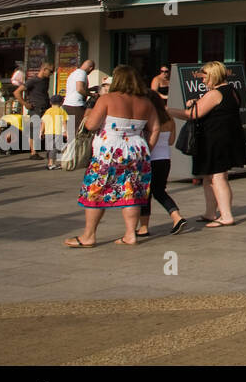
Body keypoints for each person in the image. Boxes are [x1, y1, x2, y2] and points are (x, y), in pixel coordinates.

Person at [65, 65, 157, 248]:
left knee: (96, 191)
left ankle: (88, 236)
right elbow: (155, 128)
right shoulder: (146, 103)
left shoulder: (107, 99)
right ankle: (130, 234)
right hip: (137, 151)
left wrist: (90, 114)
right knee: (131, 191)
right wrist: (147, 149)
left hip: (109, 152)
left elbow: (91, 125)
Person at [170, 61, 245, 228]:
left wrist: (168, 111)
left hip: (215, 140)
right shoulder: (232, 91)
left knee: (218, 177)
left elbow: (192, 115)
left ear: (214, 75)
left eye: (205, 77)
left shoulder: (215, 93)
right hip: (225, 138)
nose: (203, 81)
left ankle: (226, 215)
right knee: (209, 177)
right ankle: (210, 212)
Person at [138, 90, 186, 237]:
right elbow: (171, 141)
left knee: (145, 194)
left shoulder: (147, 119)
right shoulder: (169, 119)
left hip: (150, 159)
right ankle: (176, 216)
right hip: (165, 159)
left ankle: (144, 227)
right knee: (159, 191)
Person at [17, 63, 54, 160]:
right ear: (44, 69)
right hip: (35, 108)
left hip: (46, 107)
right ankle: (33, 152)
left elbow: (43, 92)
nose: (51, 74)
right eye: (50, 71)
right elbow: (17, 92)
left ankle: (49, 150)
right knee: (34, 130)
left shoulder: (46, 80)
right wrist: (24, 103)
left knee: (49, 127)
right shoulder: (33, 81)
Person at [62, 59, 95, 138]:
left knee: (70, 131)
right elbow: (79, 89)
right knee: (77, 131)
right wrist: (92, 94)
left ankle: (68, 148)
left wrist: (91, 89)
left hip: (67, 104)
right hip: (76, 105)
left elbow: (75, 89)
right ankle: (74, 149)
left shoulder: (74, 73)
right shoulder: (82, 73)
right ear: (90, 68)